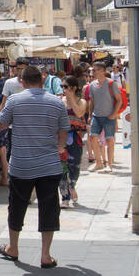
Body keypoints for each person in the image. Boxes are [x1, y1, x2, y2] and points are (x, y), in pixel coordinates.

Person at [0, 64, 69, 269]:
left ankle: (13, 247)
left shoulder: (15, 100)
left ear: (22, 81)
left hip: (21, 165)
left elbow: (0, 123)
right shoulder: (56, 102)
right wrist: (60, 146)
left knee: (17, 206)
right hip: (48, 164)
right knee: (48, 207)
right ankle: (45, 255)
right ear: (43, 80)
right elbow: (64, 129)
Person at [86, 60, 123, 172]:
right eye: (93, 70)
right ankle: (99, 163)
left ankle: (109, 165)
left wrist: (114, 114)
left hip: (109, 116)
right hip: (96, 116)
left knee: (110, 140)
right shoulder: (92, 85)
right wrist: (89, 115)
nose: (93, 72)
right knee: (93, 137)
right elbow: (92, 101)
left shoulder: (111, 84)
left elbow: (119, 100)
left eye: (95, 70)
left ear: (102, 71)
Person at [60, 75, 88, 207]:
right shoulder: (60, 101)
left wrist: (71, 98)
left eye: (66, 87)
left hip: (75, 138)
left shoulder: (81, 102)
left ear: (74, 87)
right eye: (62, 87)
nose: (64, 89)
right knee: (61, 168)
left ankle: (72, 185)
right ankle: (64, 198)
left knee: (75, 166)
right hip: (61, 137)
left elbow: (78, 113)